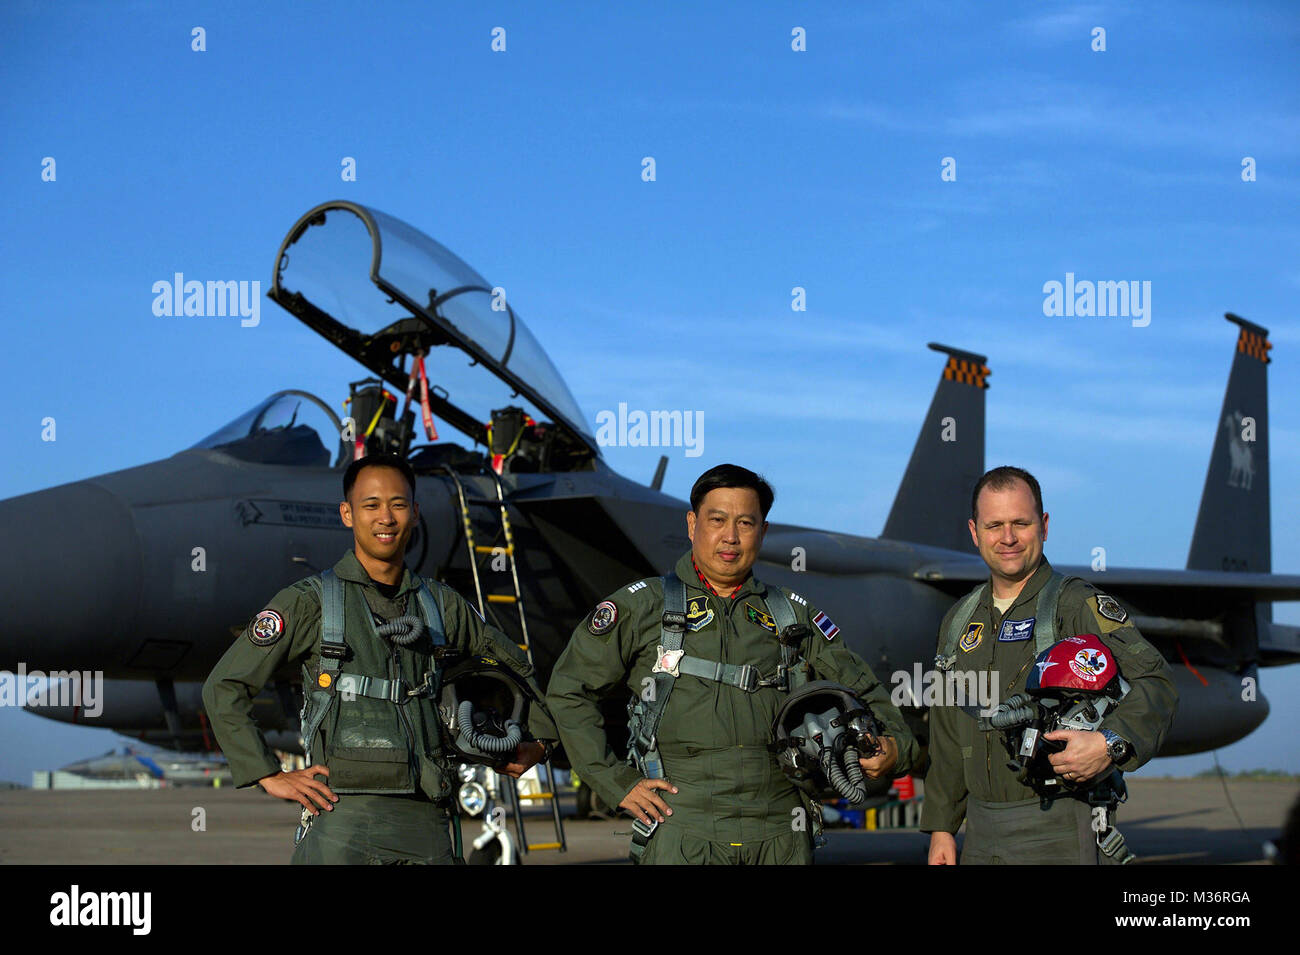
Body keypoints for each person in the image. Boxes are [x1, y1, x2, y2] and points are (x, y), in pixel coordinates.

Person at [546, 463, 917, 864]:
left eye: (746, 522)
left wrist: (896, 748)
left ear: (763, 532)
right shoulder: (642, 607)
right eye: (717, 520)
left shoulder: (792, 615)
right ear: (692, 524)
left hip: (780, 835)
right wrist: (615, 782)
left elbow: (863, 688)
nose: (731, 537)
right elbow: (569, 690)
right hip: (682, 832)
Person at [202, 453, 558, 864]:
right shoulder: (310, 602)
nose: (385, 518)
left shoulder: (443, 606)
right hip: (340, 820)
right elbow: (225, 684)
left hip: (426, 822)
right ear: (347, 514)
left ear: (415, 513)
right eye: (371, 505)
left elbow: (517, 667)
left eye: (398, 504)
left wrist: (541, 744)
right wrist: (267, 774)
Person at [921, 466, 1178, 865]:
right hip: (982, 834)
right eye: (994, 525)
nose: (1007, 538)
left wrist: (1108, 743)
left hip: (1061, 825)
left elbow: (1157, 683)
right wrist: (942, 829)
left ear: (1043, 525)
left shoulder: (1076, 606)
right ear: (975, 532)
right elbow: (949, 733)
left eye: (1020, 523)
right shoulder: (958, 621)